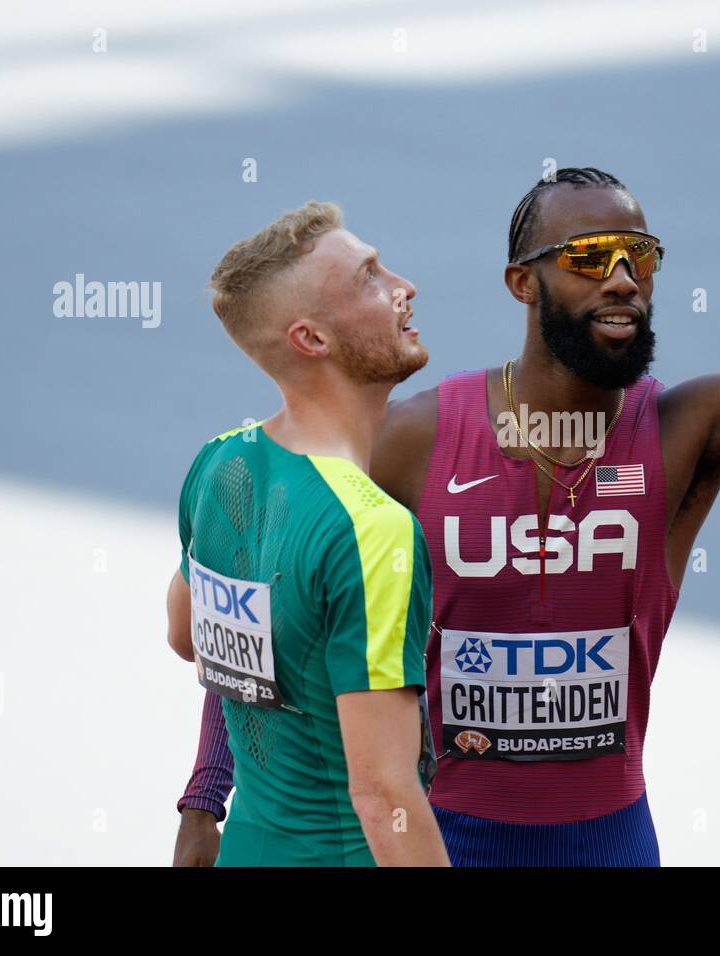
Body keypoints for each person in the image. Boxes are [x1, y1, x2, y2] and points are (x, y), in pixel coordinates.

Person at [174, 38, 720, 866]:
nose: (624, 278)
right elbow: (273, 616)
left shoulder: (684, 431)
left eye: (641, 257)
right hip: (440, 838)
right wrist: (208, 792)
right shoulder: (414, 438)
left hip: (609, 842)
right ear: (522, 283)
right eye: (591, 259)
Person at [167, 200, 449, 866]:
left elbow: (185, 636)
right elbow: (384, 798)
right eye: (371, 278)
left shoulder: (218, 463)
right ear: (311, 339)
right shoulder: (374, 531)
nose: (405, 289)